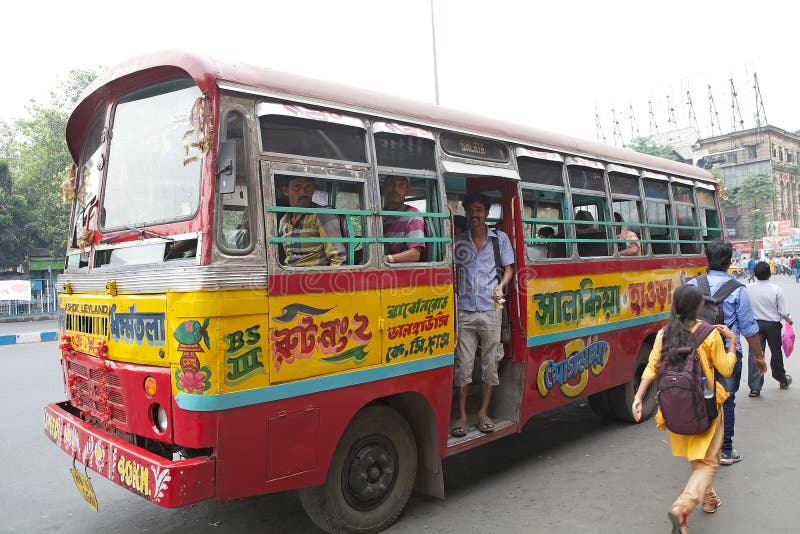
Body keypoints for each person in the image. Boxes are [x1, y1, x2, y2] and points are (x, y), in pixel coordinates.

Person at [632, 285, 737, 534]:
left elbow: (651, 367)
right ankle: (682, 507)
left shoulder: (663, 334)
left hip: (674, 407)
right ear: (700, 307)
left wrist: (638, 397)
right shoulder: (709, 333)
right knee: (709, 463)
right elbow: (727, 369)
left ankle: (709, 499)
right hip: (705, 406)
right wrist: (731, 342)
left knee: (698, 456)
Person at [687, 240, 767, 465]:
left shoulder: (691, 285)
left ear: (706, 259)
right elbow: (750, 329)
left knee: (699, 396)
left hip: (697, 352)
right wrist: (759, 357)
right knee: (727, 400)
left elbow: (681, 319)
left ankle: (700, 446)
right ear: (730, 261)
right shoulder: (738, 290)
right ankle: (725, 450)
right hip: (728, 353)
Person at [451, 193, 514, 436]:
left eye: (479, 209)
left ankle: (483, 412)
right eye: (470, 210)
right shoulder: (460, 241)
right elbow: (454, 270)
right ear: (466, 213)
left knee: (490, 365)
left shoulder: (499, 240)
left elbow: (509, 269)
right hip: (464, 311)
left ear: (486, 213)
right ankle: (462, 415)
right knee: (463, 367)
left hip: (490, 311)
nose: (474, 214)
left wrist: (500, 286)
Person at [278, 175, 346, 267]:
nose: (303, 192)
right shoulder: (283, 221)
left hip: (314, 277)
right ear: (286, 191)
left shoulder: (323, 215)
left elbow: (338, 259)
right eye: (297, 187)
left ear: (313, 189)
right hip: (288, 274)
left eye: (308, 187)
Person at [747, 261, 793, 394]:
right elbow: (783, 312)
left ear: (754, 274)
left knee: (755, 353)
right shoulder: (776, 289)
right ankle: (782, 379)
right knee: (776, 352)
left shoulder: (747, 288)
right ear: (769, 274)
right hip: (773, 325)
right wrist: (788, 320)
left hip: (755, 325)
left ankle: (755, 388)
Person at [381, 175, 425, 263]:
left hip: (400, 270)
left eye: (401, 185)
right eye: (391, 184)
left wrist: (385, 259)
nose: (395, 190)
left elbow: (415, 254)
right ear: (383, 188)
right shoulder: (378, 215)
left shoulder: (414, 215)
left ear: (407, 191)